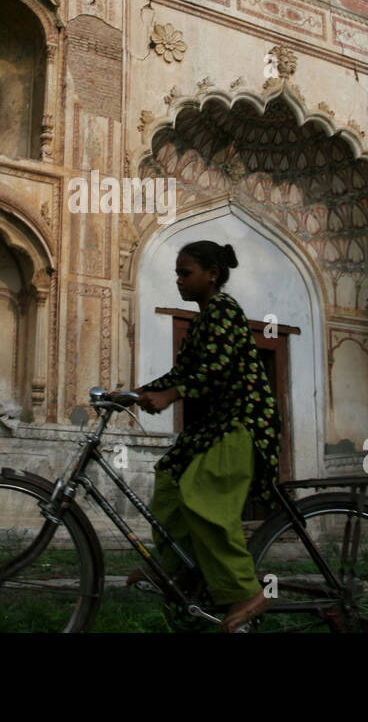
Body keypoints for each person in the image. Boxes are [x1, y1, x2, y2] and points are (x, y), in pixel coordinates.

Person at [118, 240, 282, 632]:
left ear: (212, 273)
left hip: (242, 421)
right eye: (176, 273)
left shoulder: (224, 310)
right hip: (211, 427)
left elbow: (217, 370)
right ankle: (176, 571)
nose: (178, 281)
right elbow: (182, 373)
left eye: (185, 272)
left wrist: (171, 395)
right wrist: (132, 393)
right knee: (170, 482)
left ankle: (247, 594)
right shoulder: (202, 320)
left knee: (202, 500)